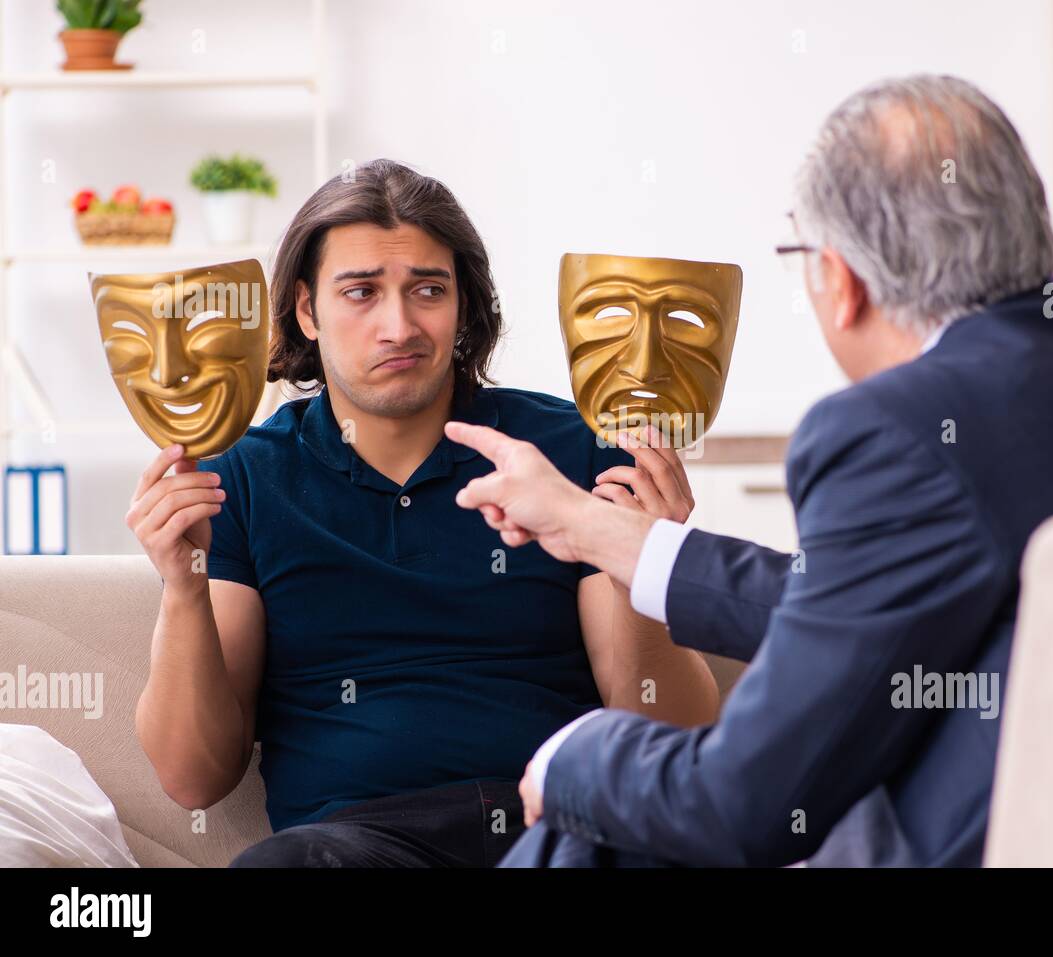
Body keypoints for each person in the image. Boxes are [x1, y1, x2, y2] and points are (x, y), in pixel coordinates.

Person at [445, 75, 1053, 867]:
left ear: (840, 279)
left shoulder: (895, 428)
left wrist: (575, 755)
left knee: (590, 830)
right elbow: (868, 612)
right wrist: (604, 532)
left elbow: (740, 806)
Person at [127, 159, 719, 867]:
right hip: (352, 846)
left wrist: (640, 559)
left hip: (561, 825)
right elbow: (194, 777)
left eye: (427, 290)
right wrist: (185, 585)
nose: (399, 325)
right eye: (361, 292)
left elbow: (672, 739)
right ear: (307, 310)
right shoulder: (242, 479)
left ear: (463, 306)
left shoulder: (572, 452)